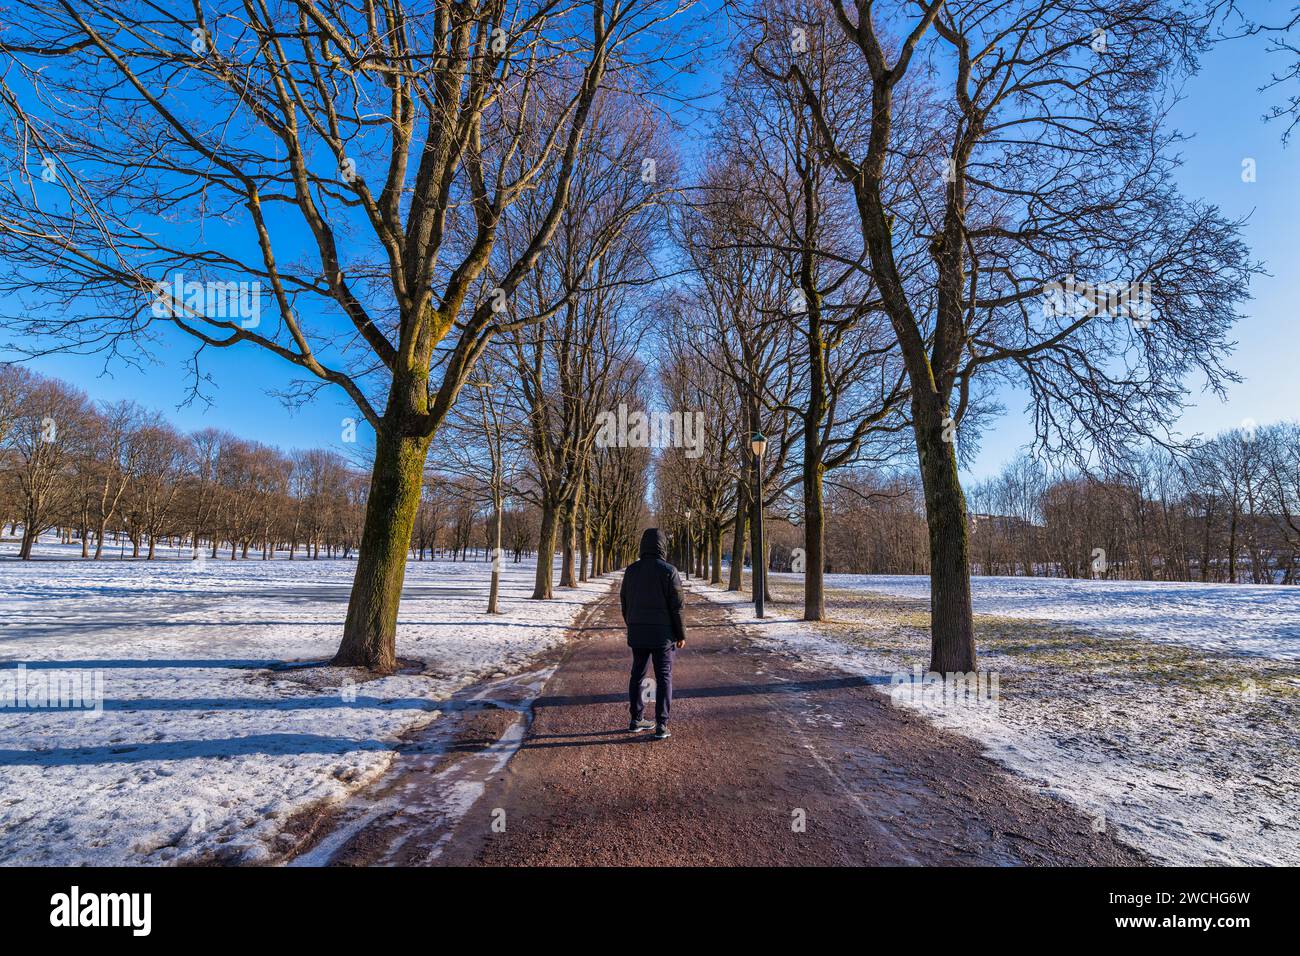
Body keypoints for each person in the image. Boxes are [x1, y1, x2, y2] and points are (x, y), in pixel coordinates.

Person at [619, 528, 686, 740]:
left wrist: (632, 623)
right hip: (662, 636)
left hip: (638, 632)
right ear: (663, 546)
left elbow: (624, 602)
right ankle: (661, 724)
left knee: (637, 674)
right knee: (664, 677)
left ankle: (636, 719)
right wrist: (680, 634)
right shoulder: (669, 571)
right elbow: (677, 607)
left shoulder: (631, 571)